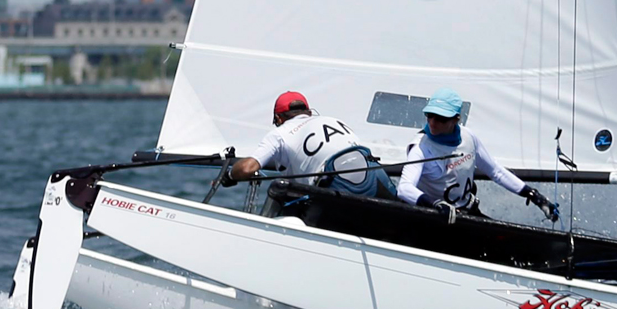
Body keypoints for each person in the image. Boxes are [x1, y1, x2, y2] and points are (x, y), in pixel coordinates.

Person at [396, 87, 559, 223]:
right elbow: (404, 188)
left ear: (456, 119)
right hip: (436, 217)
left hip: (467, 213)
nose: (432, 122)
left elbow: (496, 172)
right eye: (429, 115)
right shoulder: (420, 148)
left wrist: (535, 196)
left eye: (440, 118)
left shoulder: (469, 137)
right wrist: (436, 204)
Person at [226, 91, 395, 199]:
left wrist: (230, 176)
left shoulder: (280, 132)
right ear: (308, 112)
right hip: (375, 175)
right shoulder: (333, 120)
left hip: (337, 185)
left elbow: (248, 168)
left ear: (278, 119)